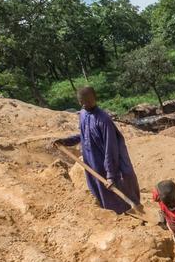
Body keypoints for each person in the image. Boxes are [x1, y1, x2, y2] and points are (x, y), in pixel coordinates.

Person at [53, 86, 141, 214]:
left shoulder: (104, 120)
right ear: (79, 102)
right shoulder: (83, 114)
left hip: (107, 165)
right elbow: (83, 135)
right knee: (100, 192)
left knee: (118, 193)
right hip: (92, 163)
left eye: (89, 100)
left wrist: (110, 175)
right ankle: (110, 215)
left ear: (95, 98)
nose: (86, 103)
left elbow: (111, 149)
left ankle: (128, 214)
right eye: (83, 101)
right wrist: (66, 141)